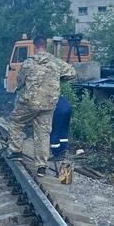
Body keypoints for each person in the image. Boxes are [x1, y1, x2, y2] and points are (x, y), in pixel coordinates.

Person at [8, 38, 77, 175]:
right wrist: (59, 78)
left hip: (30, 103)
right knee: (43, 133)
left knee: (15, 122)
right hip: (49, 104)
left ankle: (16, 152)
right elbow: (72, 73)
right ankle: (41, 167)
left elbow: (20, 82)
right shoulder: (56, 62)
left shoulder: (28, 62)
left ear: (35, 46)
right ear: (46, 46)